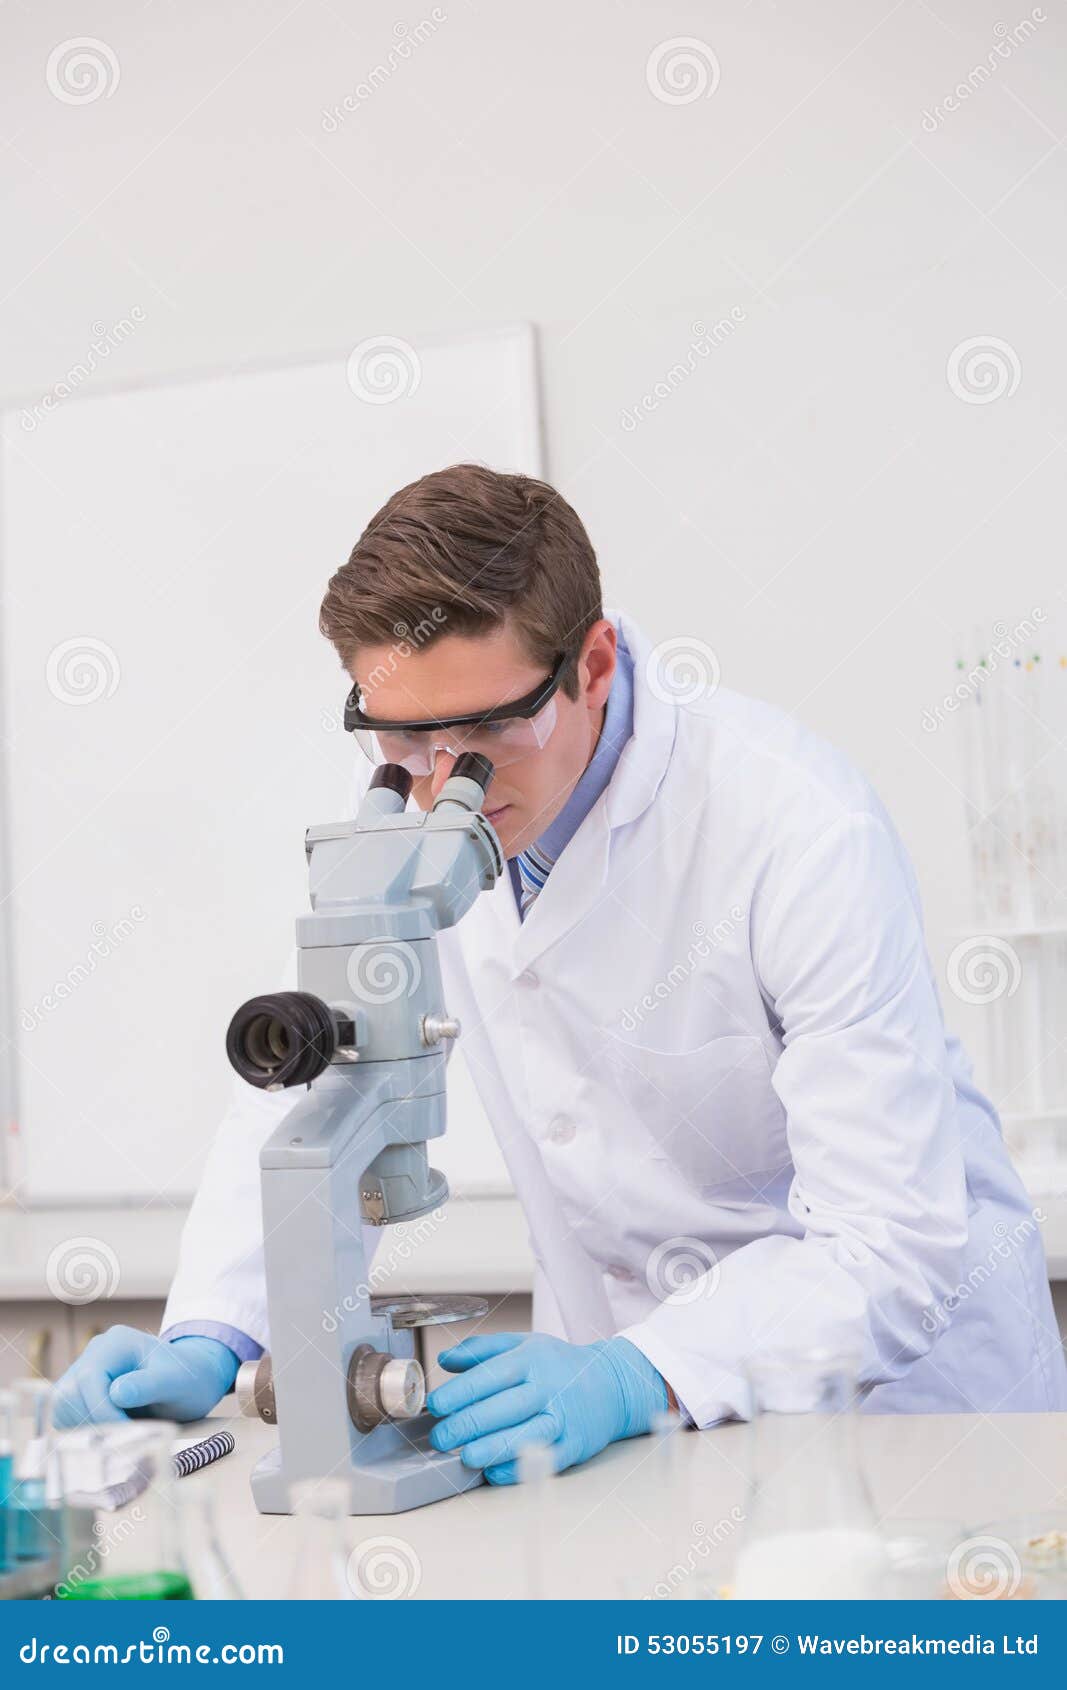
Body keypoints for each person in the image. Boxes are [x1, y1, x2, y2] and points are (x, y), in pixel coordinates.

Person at [54, 464, 1067, 1478]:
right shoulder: (405, 802)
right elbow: (318, 1082)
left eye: (492, 727)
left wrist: (640, 1371)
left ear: (591, 663)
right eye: (404, 733)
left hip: (906, 1419)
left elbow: (885, 1242)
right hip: (614, 1421)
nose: (447, 779)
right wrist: (214, 1334)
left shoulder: (794, 827)